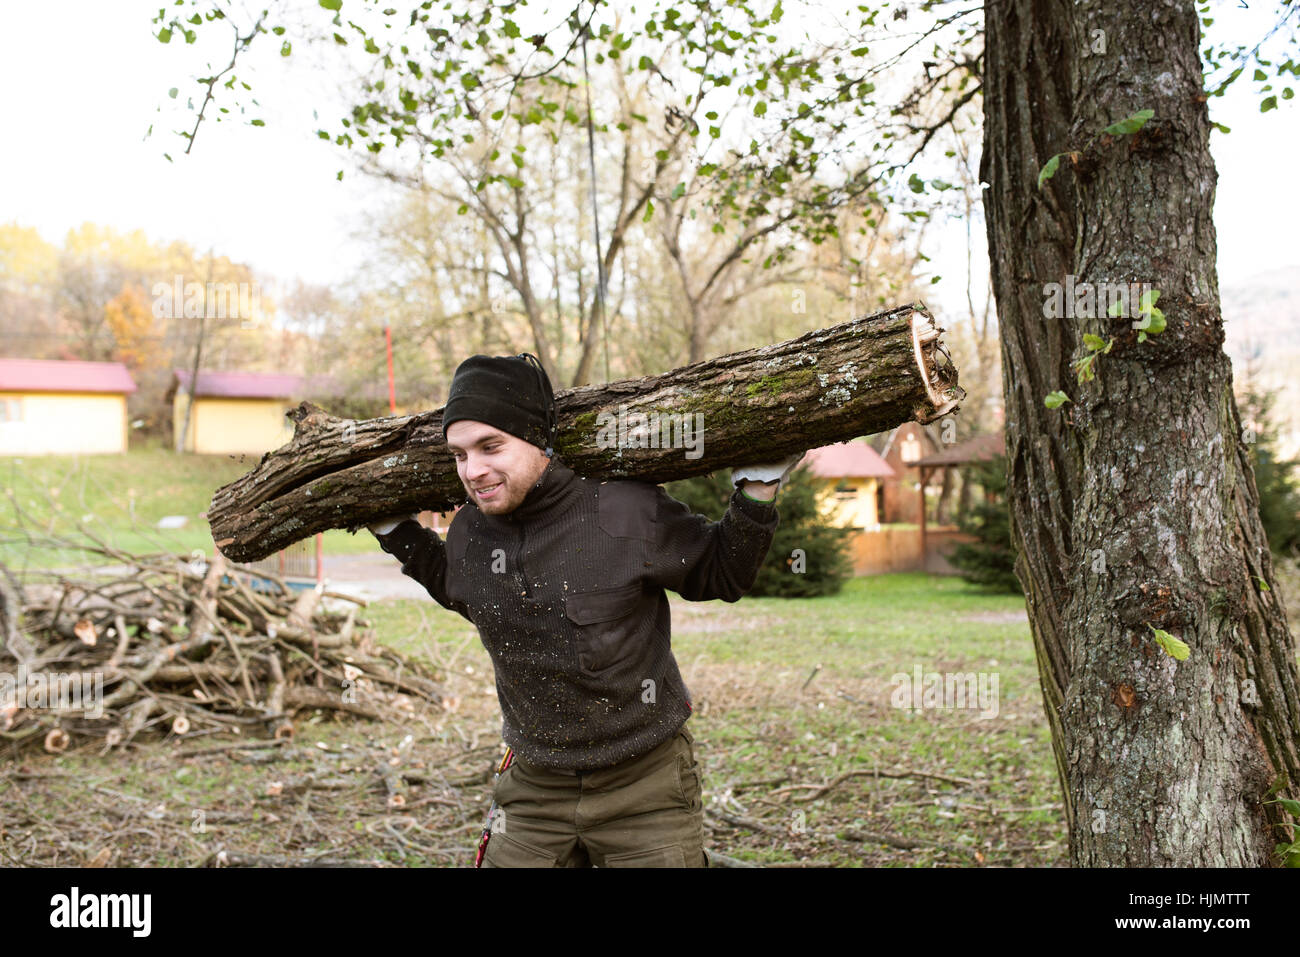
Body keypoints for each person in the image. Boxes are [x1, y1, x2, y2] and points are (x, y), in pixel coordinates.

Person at [368, 352, 801, 867]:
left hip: (646, 783)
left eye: (490, 446)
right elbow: (459, 588)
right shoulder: (471, 532)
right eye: (459, 455)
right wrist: (395, 532)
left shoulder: (624, 511)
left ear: (537, 438)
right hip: (533, 786)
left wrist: (757, 491)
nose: (473, 470)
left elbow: (719, 573)